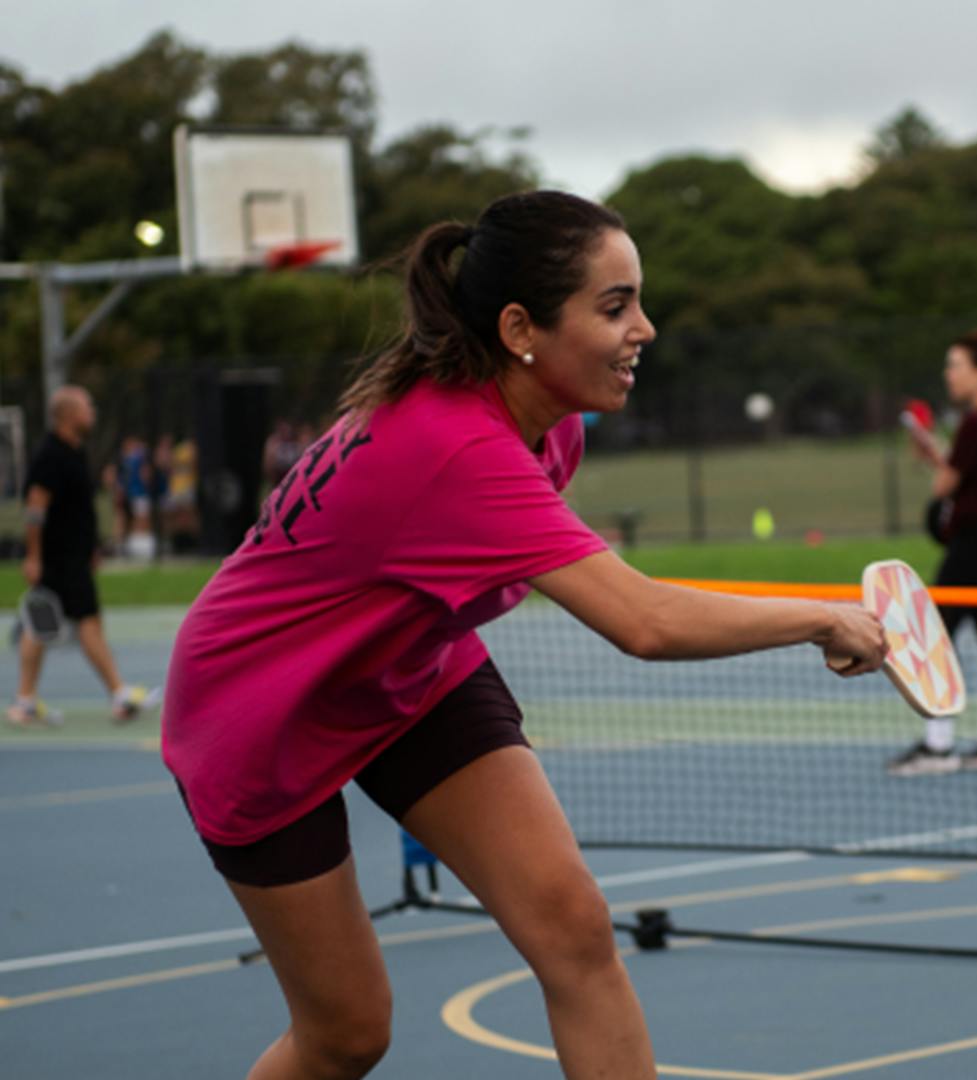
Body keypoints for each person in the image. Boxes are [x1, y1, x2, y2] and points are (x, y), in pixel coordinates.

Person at [160, 190, 886, 1080]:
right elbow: (646, 622)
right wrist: (823, 616)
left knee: (574, 931)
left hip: (404, 672)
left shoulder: (549, 428)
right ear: (518, 329)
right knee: (347, 1034)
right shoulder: (459, 450)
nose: (645, 329)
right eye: (615, 307)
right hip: (259, 714)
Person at [889, 328, 977, 776]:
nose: (949, 374)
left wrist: (934, 458)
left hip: (975, 540)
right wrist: (937, 455)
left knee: (935, 633)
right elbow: (966, 475)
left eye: (956, 365)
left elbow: (946, 484)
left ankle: (938, 744)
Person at [7, 386, 160, 727]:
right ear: (68, 414)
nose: (92, 412)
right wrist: (33, 557)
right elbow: (35, 509)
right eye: (86, 406)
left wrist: (90, 547)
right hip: (58, 559)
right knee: (80, 622)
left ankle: (27, 700)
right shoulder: (51, 455)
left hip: (73, 557)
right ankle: (117, 693)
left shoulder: (74, 452)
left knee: (45, 626)